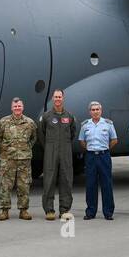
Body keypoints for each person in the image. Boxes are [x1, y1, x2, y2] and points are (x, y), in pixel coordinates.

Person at [37, 89, 78, 221]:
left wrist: (64, 145)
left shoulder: (69, 116)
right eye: (56, 97)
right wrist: (49, 146)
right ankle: (49, 210)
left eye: (60, 97)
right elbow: (41, 135)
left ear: (63, 98)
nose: (58, 99)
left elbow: (72, 134)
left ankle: (64, 209)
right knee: (49, 180)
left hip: (65, 152)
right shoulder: (47, 116)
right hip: (50, 151)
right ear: (53, 99)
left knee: (66, 180)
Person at [0, 98, 38, 220]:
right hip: (8, 159)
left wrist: (26, 149)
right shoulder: (4, 122)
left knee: (24, 185)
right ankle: (4, 210)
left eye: (19, 106)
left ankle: (23, 210)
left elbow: (34, 138)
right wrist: (4, 151)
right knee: (5, 185)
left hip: (24, 159)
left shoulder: (30, 123)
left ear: (22, 107)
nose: (17, 108)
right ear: (12, 108)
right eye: (15, 106)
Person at [77, 101, 118, 220]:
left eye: (97, 109)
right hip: (90, 157)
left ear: (101, 111)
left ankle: (108, 212)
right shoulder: (85, 125)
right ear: (90, 112)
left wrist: (104, 149)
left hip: (104, 156)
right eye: (93, 110)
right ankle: (90, 212)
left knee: (107, 184)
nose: (95, 112)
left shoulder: (108, 124)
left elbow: (114, 140)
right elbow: (82, 141)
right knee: (90, 184)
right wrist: (91, 149)